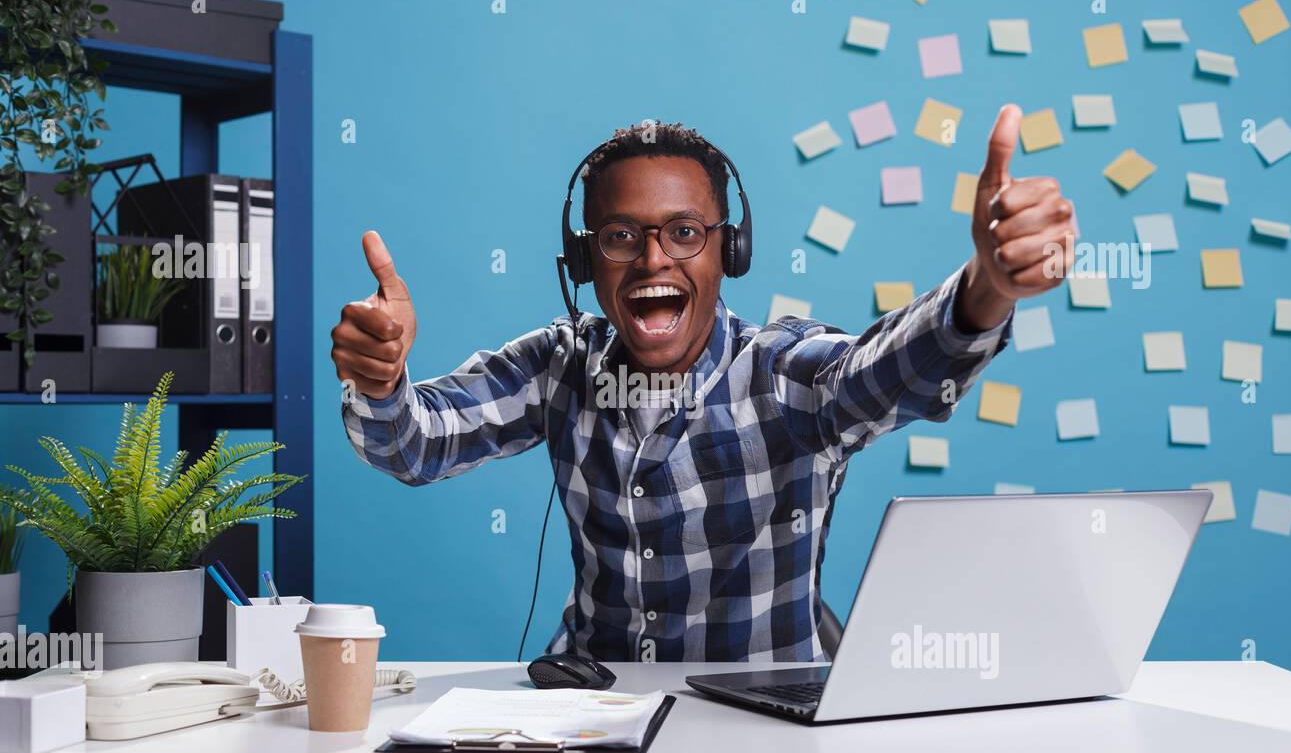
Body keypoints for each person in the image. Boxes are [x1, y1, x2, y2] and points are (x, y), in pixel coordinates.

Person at [331, 106, 1077, 662]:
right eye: (621, 237)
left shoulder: (785, 373)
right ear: (586, 262)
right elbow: (414, 446)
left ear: (730, 251)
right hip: (595, 707)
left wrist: (987, 286)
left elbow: (892, 371)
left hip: (766, 722)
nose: (654, 259)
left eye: (685, 232)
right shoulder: (558, 366)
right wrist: (382, 383)